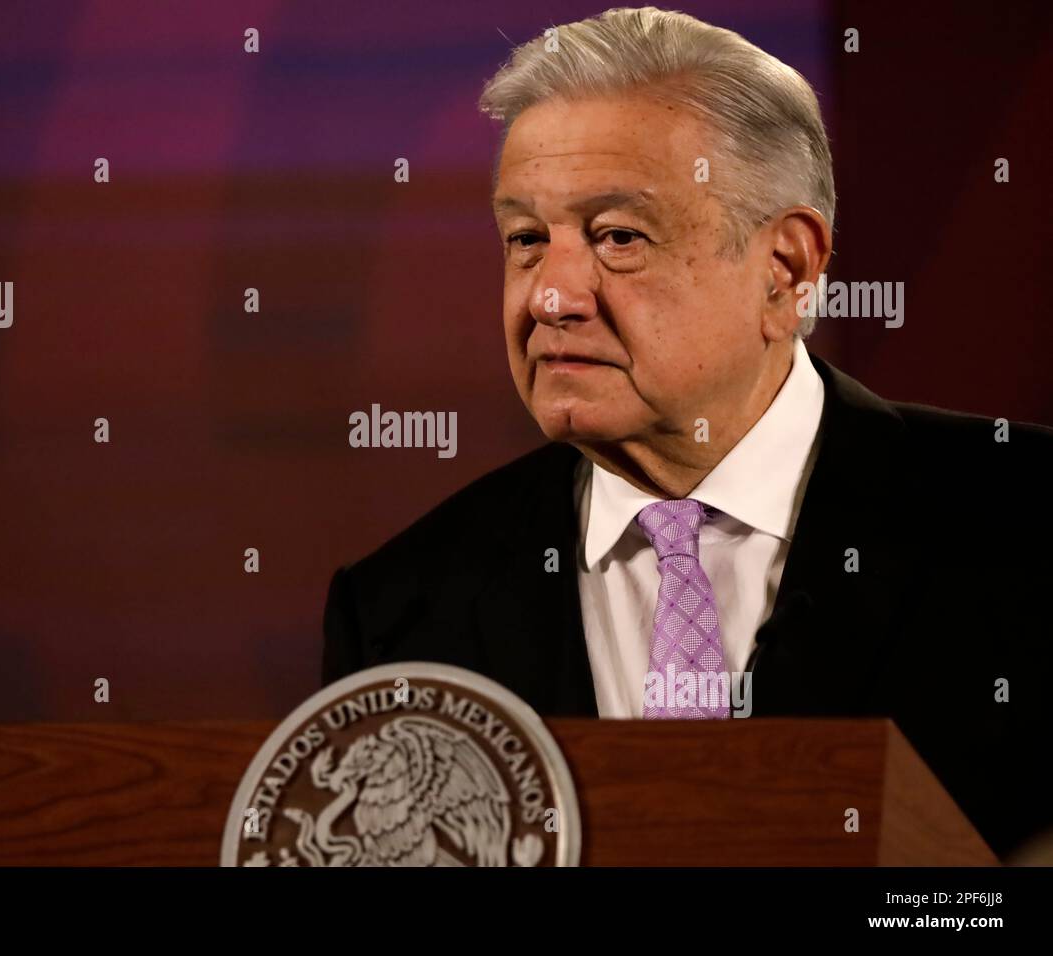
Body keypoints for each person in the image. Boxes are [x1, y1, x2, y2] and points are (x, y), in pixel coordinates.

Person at [321, 6, 1053, 860]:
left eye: (618, 237)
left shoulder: (1026, 519)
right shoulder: (404, 609)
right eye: (526, 239)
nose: (550, 297)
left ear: (786, 268)